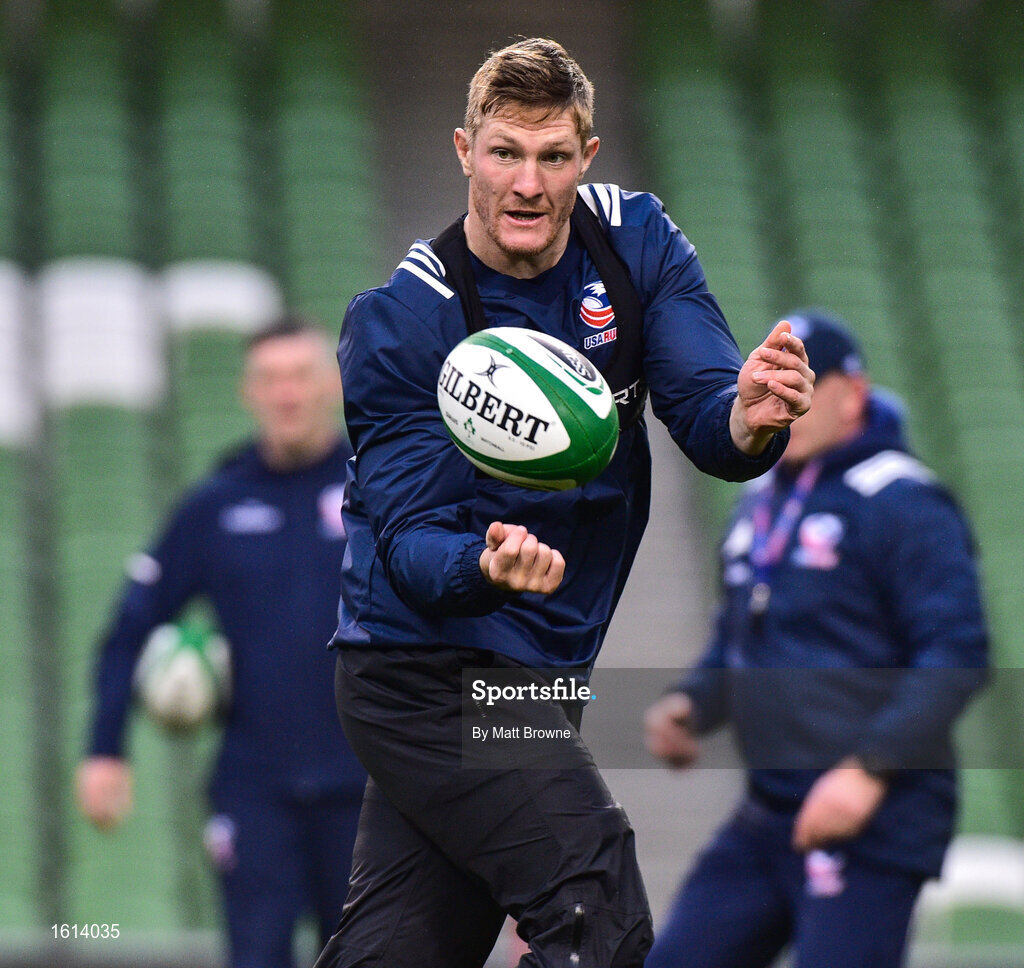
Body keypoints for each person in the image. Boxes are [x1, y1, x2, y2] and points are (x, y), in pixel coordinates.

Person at [312, 39, 812, 968]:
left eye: (552, 156)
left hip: (543, 667)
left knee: (399, 952)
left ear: (587, 154)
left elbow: (706, 406)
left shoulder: (637, 241)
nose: (528, 183)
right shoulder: (402, 319)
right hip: (423, 674)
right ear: (466, 151)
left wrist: (748, 420)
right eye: (505, 152)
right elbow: (407, 542)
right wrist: (484, 566)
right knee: (598, 917)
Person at [644, 310, 988, 968]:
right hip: (772, 809)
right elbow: (739, 633)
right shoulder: (762, 500)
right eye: (769, 382)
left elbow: (955, 654)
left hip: (872, 813)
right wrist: (693, 702)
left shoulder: (903, 502)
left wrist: (867, 772)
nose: (782, 399)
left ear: (851, 394)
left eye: (800, 383)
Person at [76, 318, 367, 968]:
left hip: (364, 785)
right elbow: (128, 629)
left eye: (299, 376)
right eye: (269, 379)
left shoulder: (373, 491)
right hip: (253, 791)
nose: (286, 393)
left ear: (328, 385)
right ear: (247, 392)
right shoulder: (215, 504)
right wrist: (104, 749)